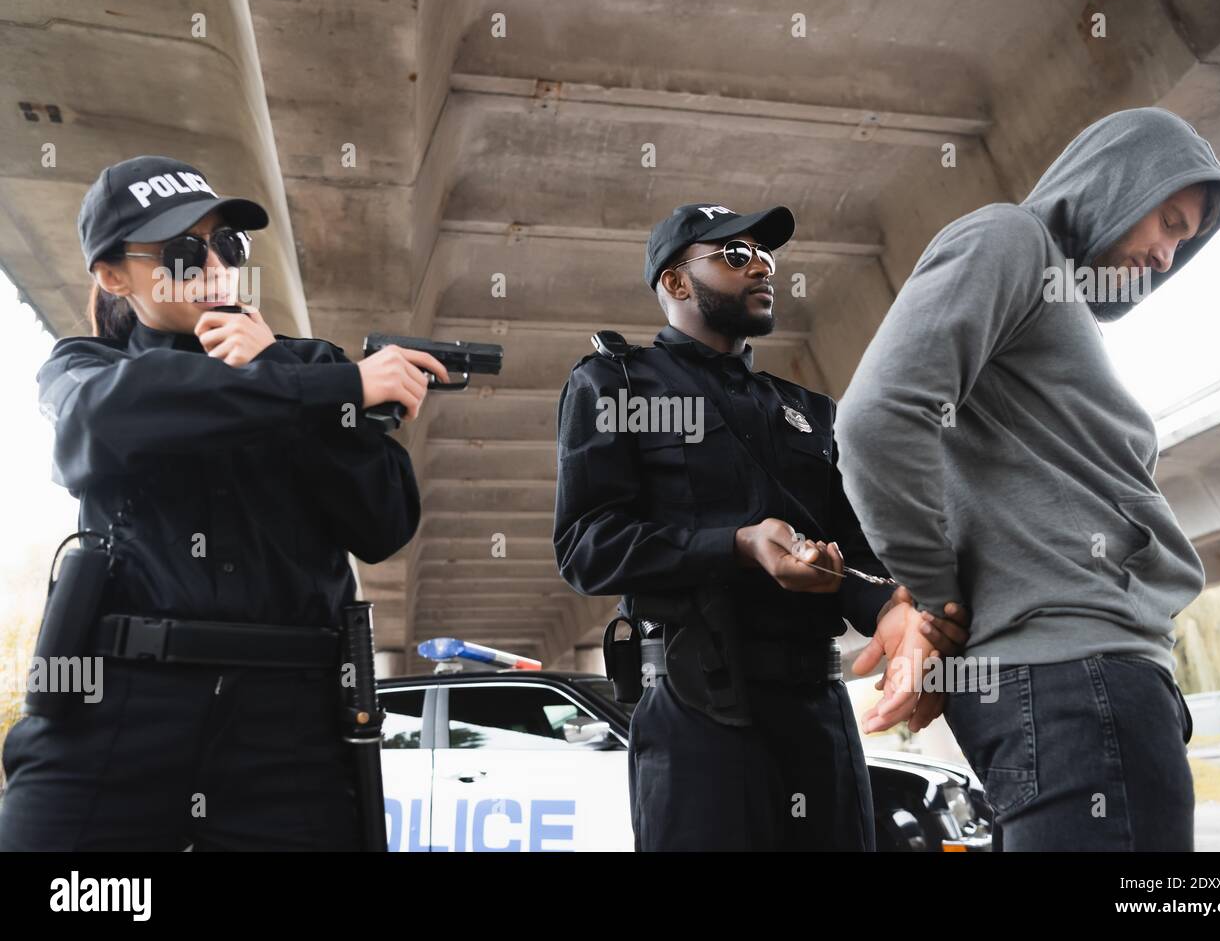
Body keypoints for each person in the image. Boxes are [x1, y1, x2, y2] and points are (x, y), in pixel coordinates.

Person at [0, 155, 447, 850]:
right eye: (181, 249)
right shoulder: (85, 368)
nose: (211, 263)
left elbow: (385, 523)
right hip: (120, 707)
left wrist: (279, 367)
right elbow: (114, 418)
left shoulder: (312, 367)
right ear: (113, 274)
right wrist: (324, 390)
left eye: (227, 245)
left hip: (288, 727)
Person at [834, 108, 1220, 850]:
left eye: (1184, 241)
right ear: (1119, 178)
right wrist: (934, 603)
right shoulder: (1012, 240)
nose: (1165, 253)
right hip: (1079, 688)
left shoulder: (1058, 312)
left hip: (1083, 690)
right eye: (1167, 220)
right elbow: (876, 420)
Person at [552, 202, 969, 851]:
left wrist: (889, 606)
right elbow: (586, 545)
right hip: (700, 715)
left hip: (818, 713)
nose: (762, 269)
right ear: (676, 282)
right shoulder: (617, 385)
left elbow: (858, 551)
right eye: (736, 256)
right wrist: (738, 546)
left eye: (767, 257)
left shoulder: (808, 410)